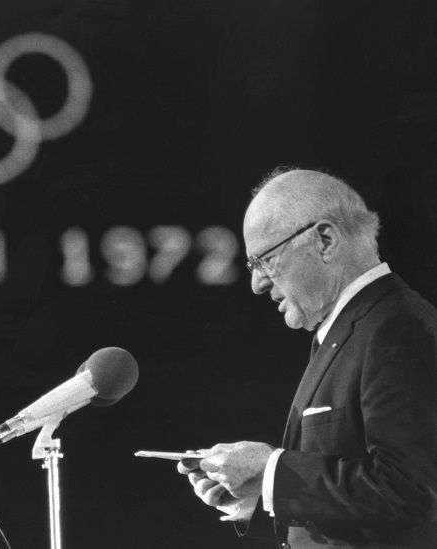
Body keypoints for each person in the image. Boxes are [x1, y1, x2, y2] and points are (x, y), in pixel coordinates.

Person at [177, 169, 437, 548]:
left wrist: (272, 472)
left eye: (264, 260)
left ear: (325, 240)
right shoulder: (353, 329)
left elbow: (410, 491)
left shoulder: (396, 330)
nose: (257, 283)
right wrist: (259, 494)